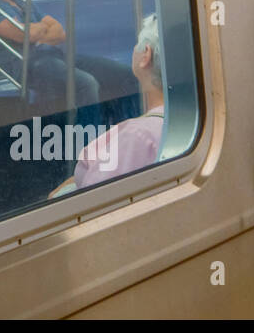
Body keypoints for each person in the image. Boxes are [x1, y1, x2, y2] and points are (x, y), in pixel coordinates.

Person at [49, 14, 166, 196]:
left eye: (137, 44)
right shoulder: (187, 117)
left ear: (146, 55)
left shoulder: (136, 137)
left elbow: (91, 202)